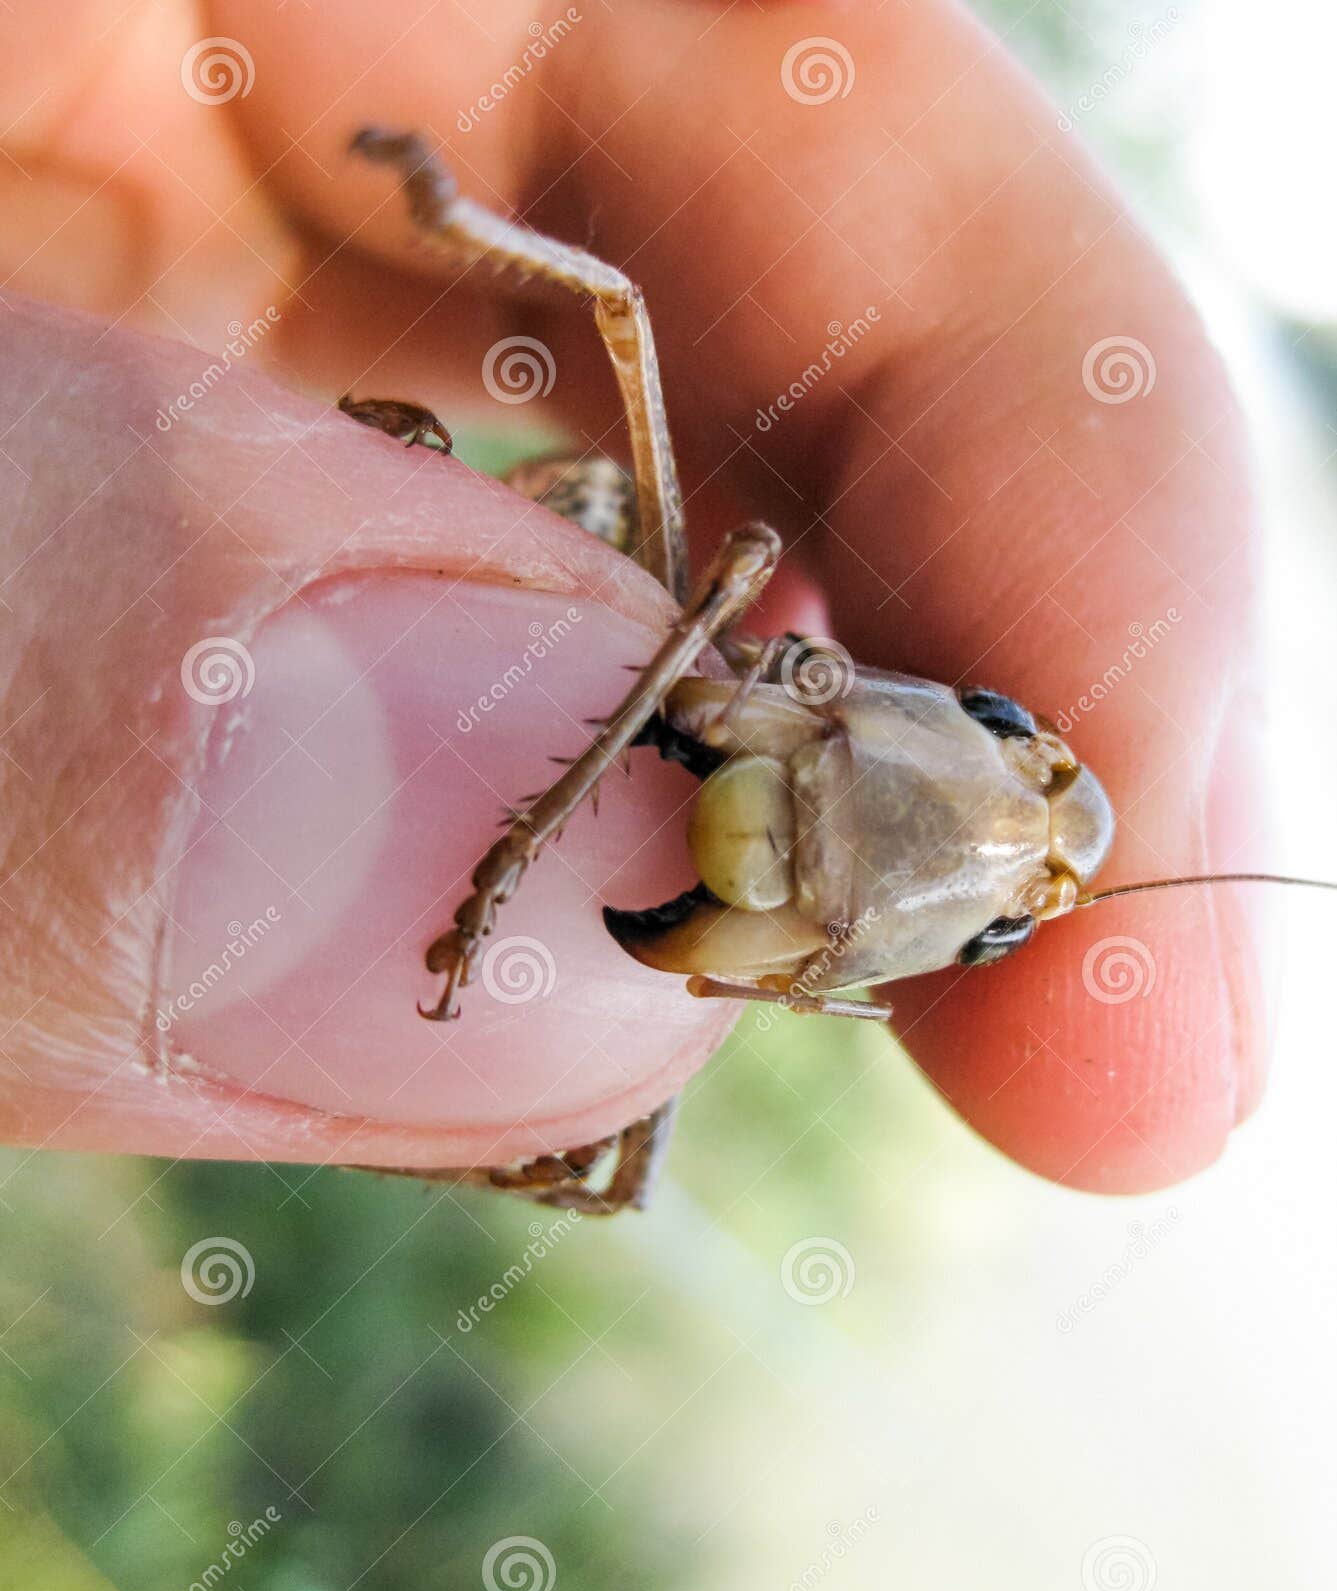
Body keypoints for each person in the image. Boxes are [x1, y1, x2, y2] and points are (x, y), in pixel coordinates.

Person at [0, 0, 1264, 1193]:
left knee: (605, 1173)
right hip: (604, 567)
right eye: (999, 728)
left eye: (991, 929)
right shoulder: (764, 609)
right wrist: (503, 860)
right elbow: (615, 314)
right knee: (624, 356)